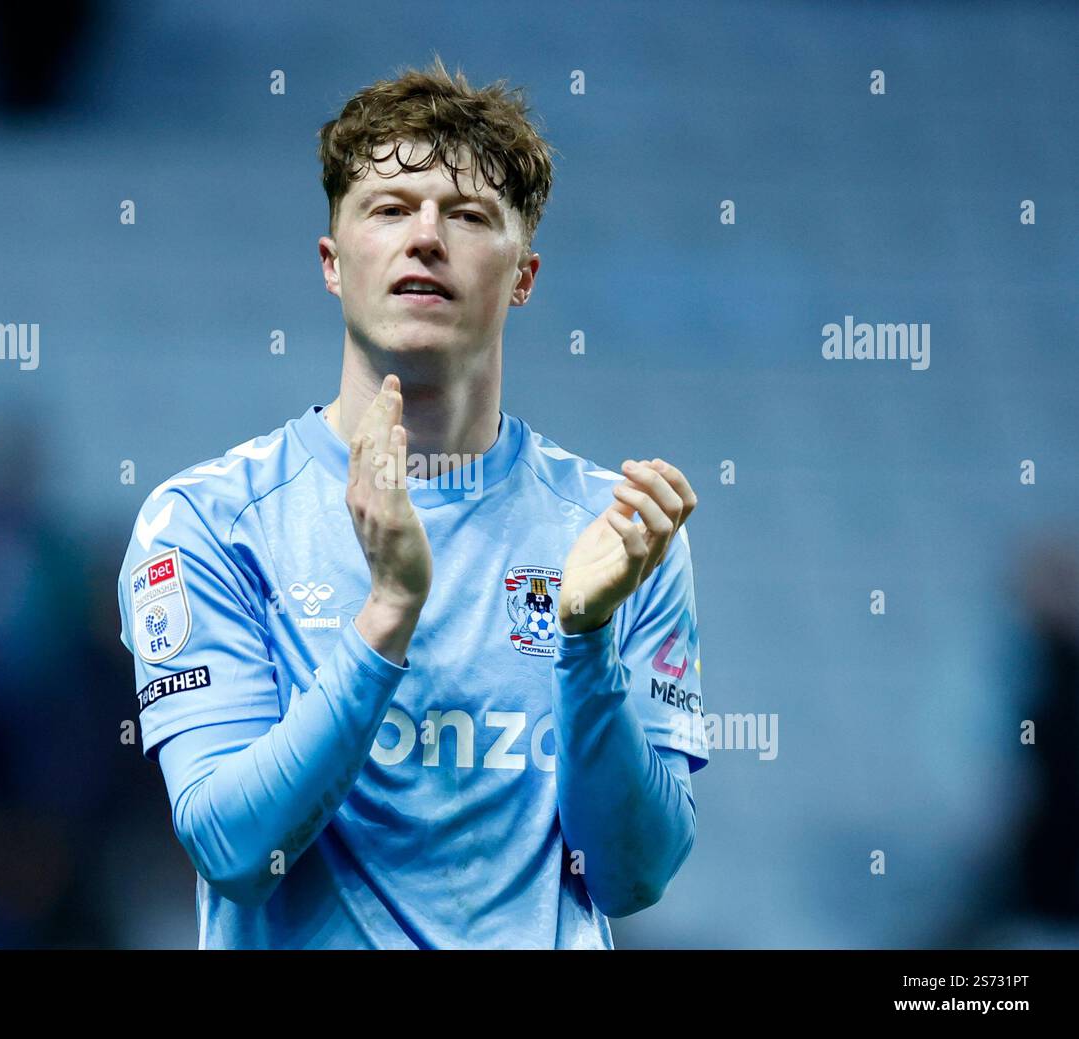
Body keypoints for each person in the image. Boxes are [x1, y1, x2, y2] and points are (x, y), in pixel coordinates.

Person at [116, 56, 708, 949]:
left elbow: (632, 876)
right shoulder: (207, 521)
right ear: (332, 261)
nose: (425, 237)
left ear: (525, 276)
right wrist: (388, 611)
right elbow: (232, 848)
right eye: (390, 210)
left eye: (468, 216)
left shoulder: (613, 531)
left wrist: (586, 643)